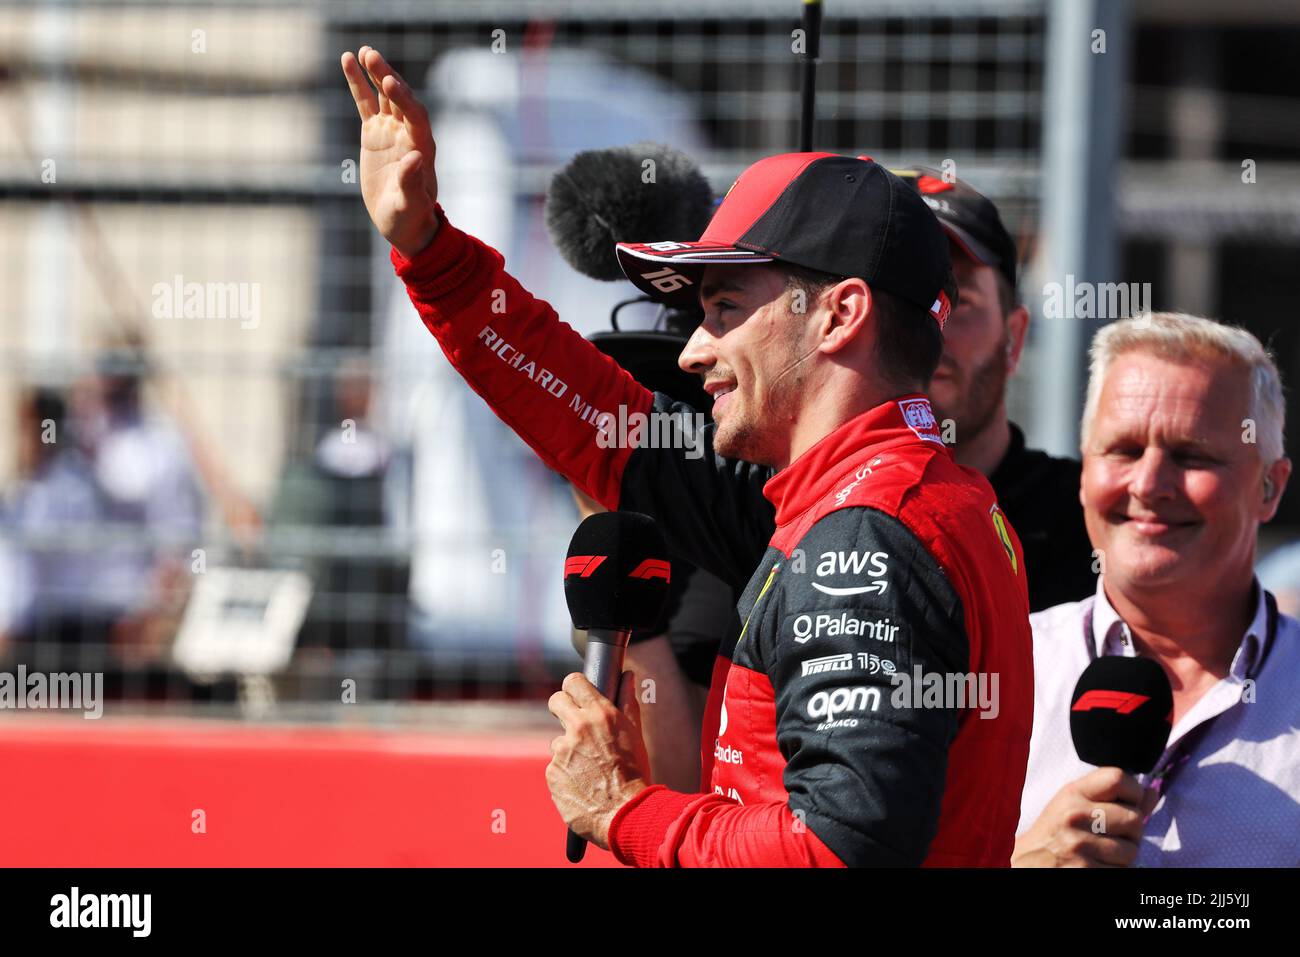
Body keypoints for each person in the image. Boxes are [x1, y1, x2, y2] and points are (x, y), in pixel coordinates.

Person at [343, 46, 1033, 866]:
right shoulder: (893, 489)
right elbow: (590, 413)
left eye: (727, 307)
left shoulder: (865, 535)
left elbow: (839, 848)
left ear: (840, 314)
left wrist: (627, 810)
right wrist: (427, 244)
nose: (695, 350)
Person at [1013, 313, 1299, 867]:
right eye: (1122, 450)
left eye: (1191, 455)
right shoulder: (990, 671)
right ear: (1083, 473)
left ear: (1270, 486)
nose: (1148, 484)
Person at [892, 167, 1096, 611]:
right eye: (899, 296)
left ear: (1014, 338)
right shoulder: (774, 506)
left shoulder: (1093, 524)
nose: (930, 328)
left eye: (958, 301)